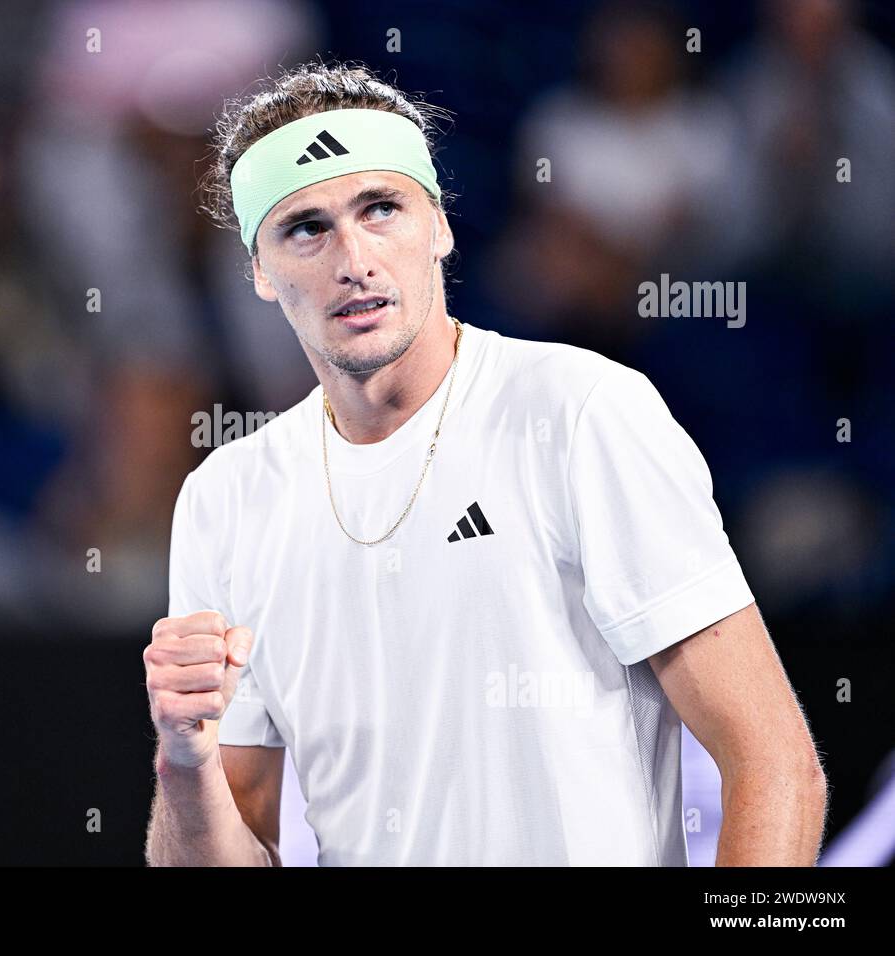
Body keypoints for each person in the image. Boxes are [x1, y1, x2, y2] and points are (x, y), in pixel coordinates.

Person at [143, 61, 827, 866]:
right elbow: (241, 844)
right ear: (259, 270)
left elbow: (774, 762)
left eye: (382, 210)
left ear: (439, 227)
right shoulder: (226, 497)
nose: (354, 259)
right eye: (306, 228)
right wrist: (183, 765)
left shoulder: (581, 412)